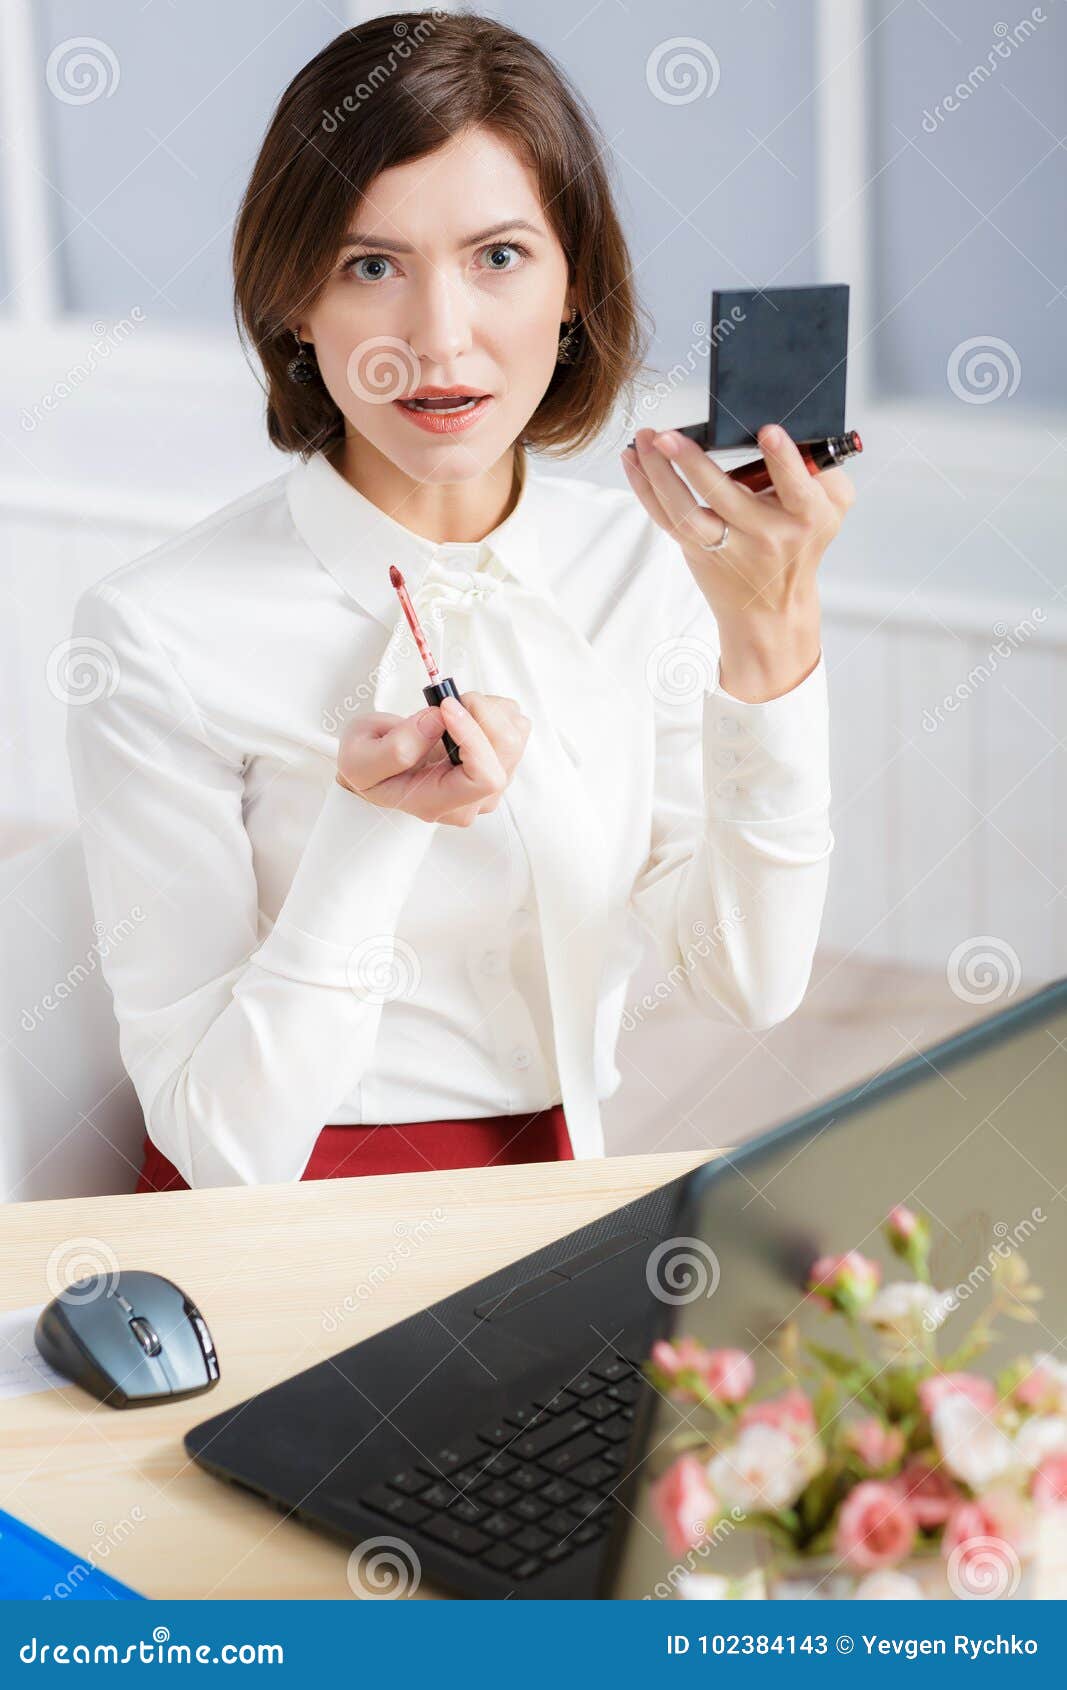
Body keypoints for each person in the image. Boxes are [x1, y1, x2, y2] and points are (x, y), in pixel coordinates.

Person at [65, 13, 855, 1192]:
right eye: (369, 265)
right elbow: (220, 1148)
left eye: (497, 258)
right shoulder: (153, 631)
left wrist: (770, 640)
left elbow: (746, 980)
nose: (438, 342)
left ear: (572, 282)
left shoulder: (645, 568)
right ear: (293, 301)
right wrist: (375, 826)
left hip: (558, 1182)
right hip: (276, 1222)